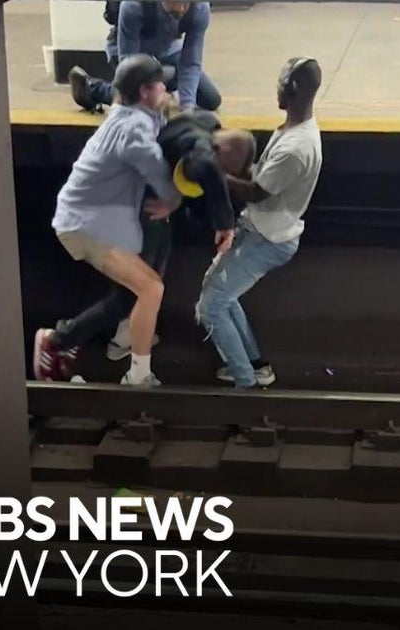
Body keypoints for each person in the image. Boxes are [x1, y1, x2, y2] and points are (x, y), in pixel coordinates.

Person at [33, 54, 184, 387]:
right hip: (86, 224)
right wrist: (175, 197)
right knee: (150, 287)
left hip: (95, 215)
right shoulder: (134, 130)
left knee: (129, 296)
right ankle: (139, 376)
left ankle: (61, 341)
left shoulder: (128, 112)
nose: (166, 87)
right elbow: (161, 177)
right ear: (145, 91)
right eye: (160, 84)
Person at [195, 57, 324, 389]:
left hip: (267, 240)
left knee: (211, 307)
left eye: (281, 82)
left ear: (291, 90)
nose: (277, 87)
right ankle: (255, 365)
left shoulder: (295, 148)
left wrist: (213, 172)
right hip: (260, 229)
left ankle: (245, 385)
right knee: (221, 293)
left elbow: (256, 192)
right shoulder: (294, 129)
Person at [99, 111, 258, 361]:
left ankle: (135, 329)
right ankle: (118, 340)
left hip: (145, 197)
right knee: (142, 276)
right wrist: (224, 225)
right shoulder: (202, 150)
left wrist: (174, 200)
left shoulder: (206, 121)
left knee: (156, 262)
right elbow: (204, 168)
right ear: (216, 150)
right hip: (140, 204)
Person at [70, 2, 221, 114]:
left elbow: (190, 62)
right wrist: (146, 95)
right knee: (138, 100)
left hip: (167, 52)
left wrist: (188, 108)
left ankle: (160, 85)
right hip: (131, 55)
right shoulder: (134, 6)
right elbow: (129, 67)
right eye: (175, 2)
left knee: (210, 99)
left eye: (185, 2)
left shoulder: (199, 8)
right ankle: (91, 88)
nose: (181, 8)